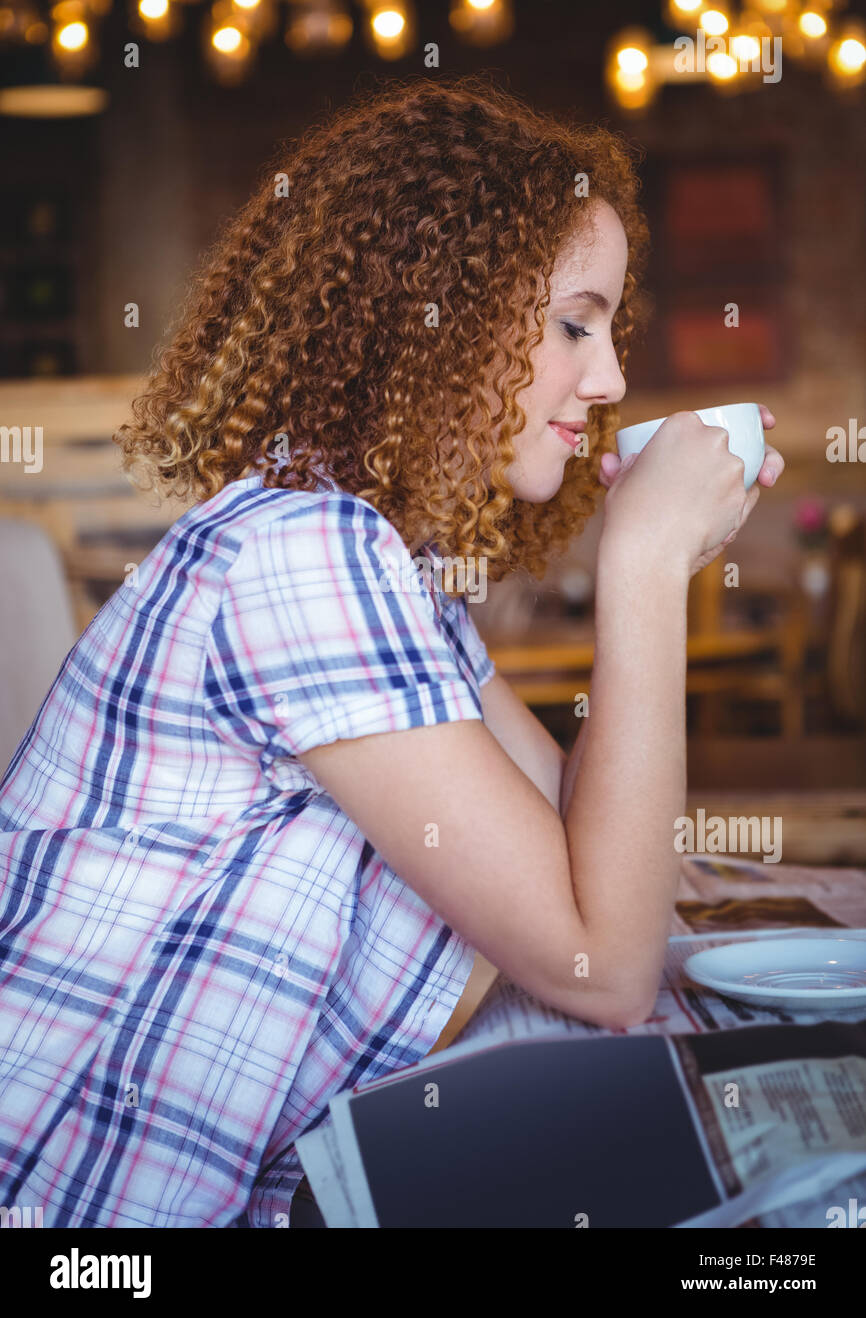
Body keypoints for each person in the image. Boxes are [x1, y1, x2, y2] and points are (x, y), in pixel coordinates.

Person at [0, 76, 785, 1228]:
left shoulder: (383, 563)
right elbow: (604, 965)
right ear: (444, 311)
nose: (611, 378)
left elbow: (601, 862)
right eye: (575, 321)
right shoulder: (304, 551)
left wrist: (660, 551)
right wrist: (643, 568)